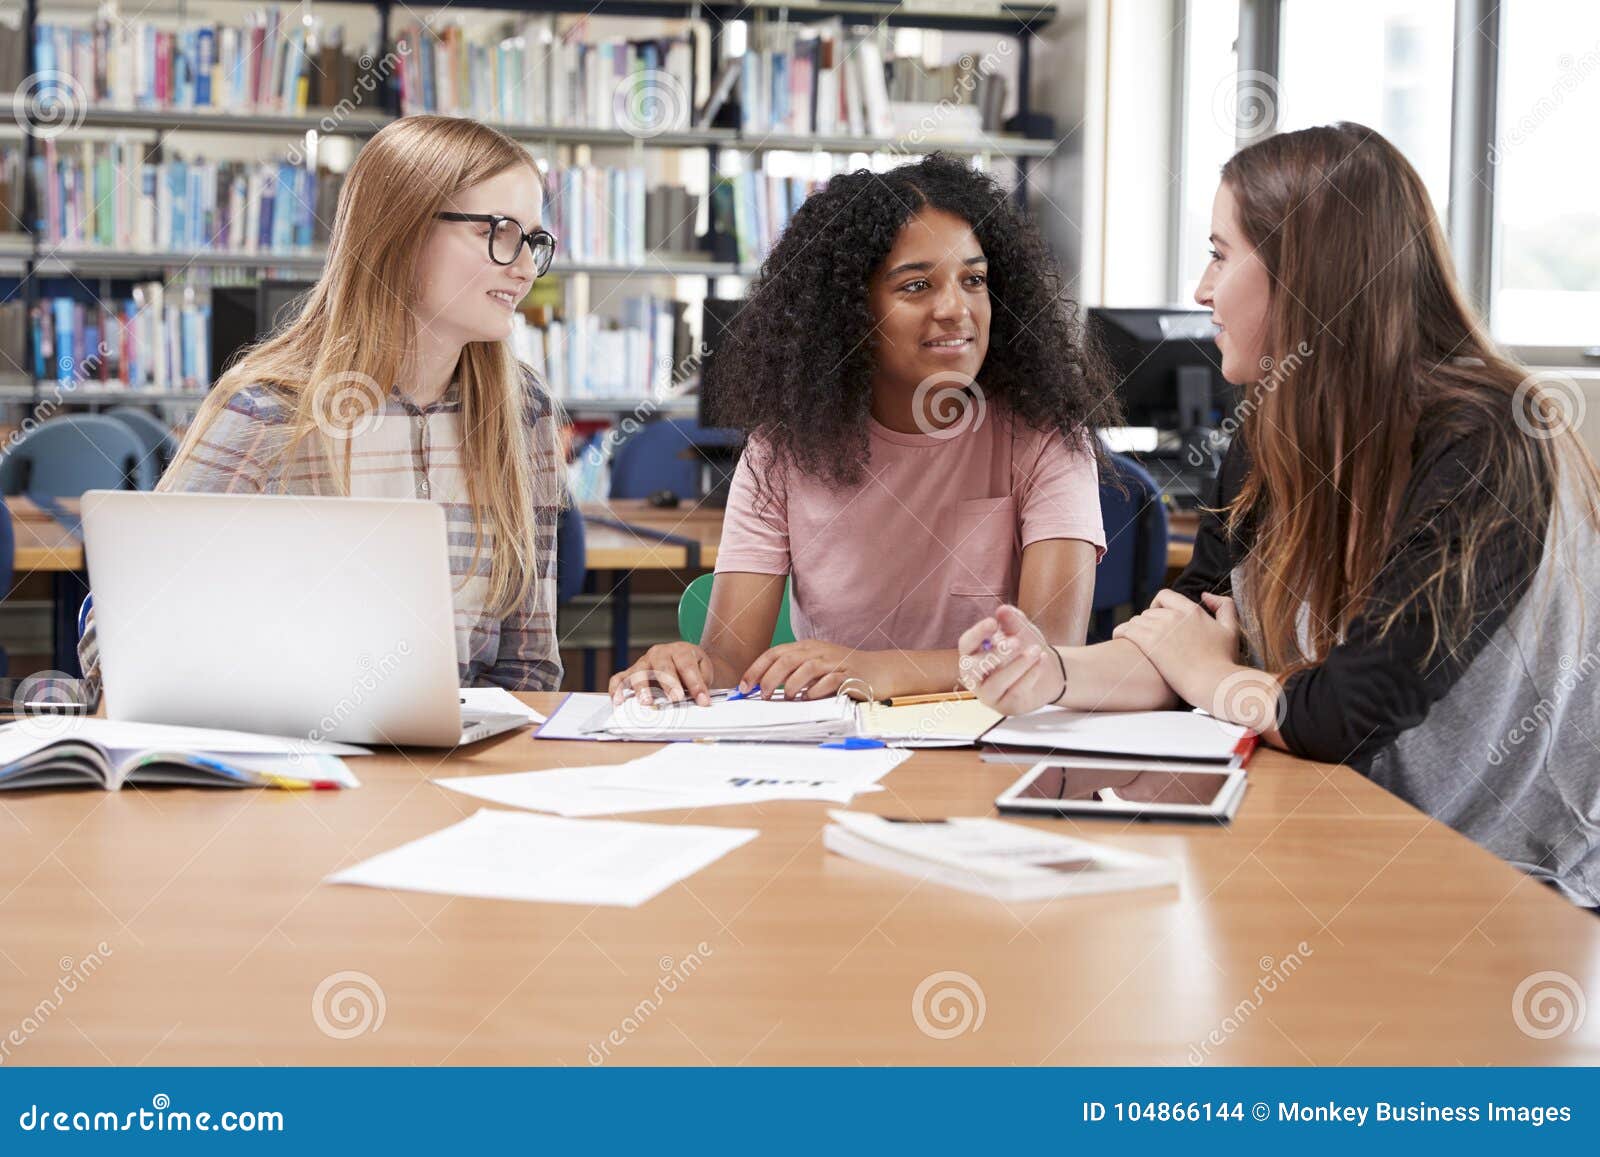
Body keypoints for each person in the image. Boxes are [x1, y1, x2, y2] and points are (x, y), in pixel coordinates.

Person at [961, 123, 1600, 907]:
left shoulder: (1492, 443)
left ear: (1307, 276)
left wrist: (1211, 673)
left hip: (1501, 886)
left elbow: (1343, 713)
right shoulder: (1269, 430)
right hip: (1337, 843)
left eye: (1221, 253)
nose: (1200, 289)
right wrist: (1052, 673)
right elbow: (1180, 630)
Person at [78, 115, 565, 696]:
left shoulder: (523, 410)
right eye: (501, 231)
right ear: (401, 232)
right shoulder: (269, 409)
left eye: (534, 240)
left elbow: (530, 670)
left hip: (459, 769)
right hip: (287, 761)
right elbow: (119, 644)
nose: (526, 267)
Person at [611, 154, 1113, 707]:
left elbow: (1049, 654)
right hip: (836, 755)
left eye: (974, 280)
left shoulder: (1045, 438)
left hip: (994, 747)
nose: (956, 308)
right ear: (848, 313)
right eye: (917, 285)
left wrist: (880, 671)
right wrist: (686, 666)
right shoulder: (781, 450)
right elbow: (730, 664)